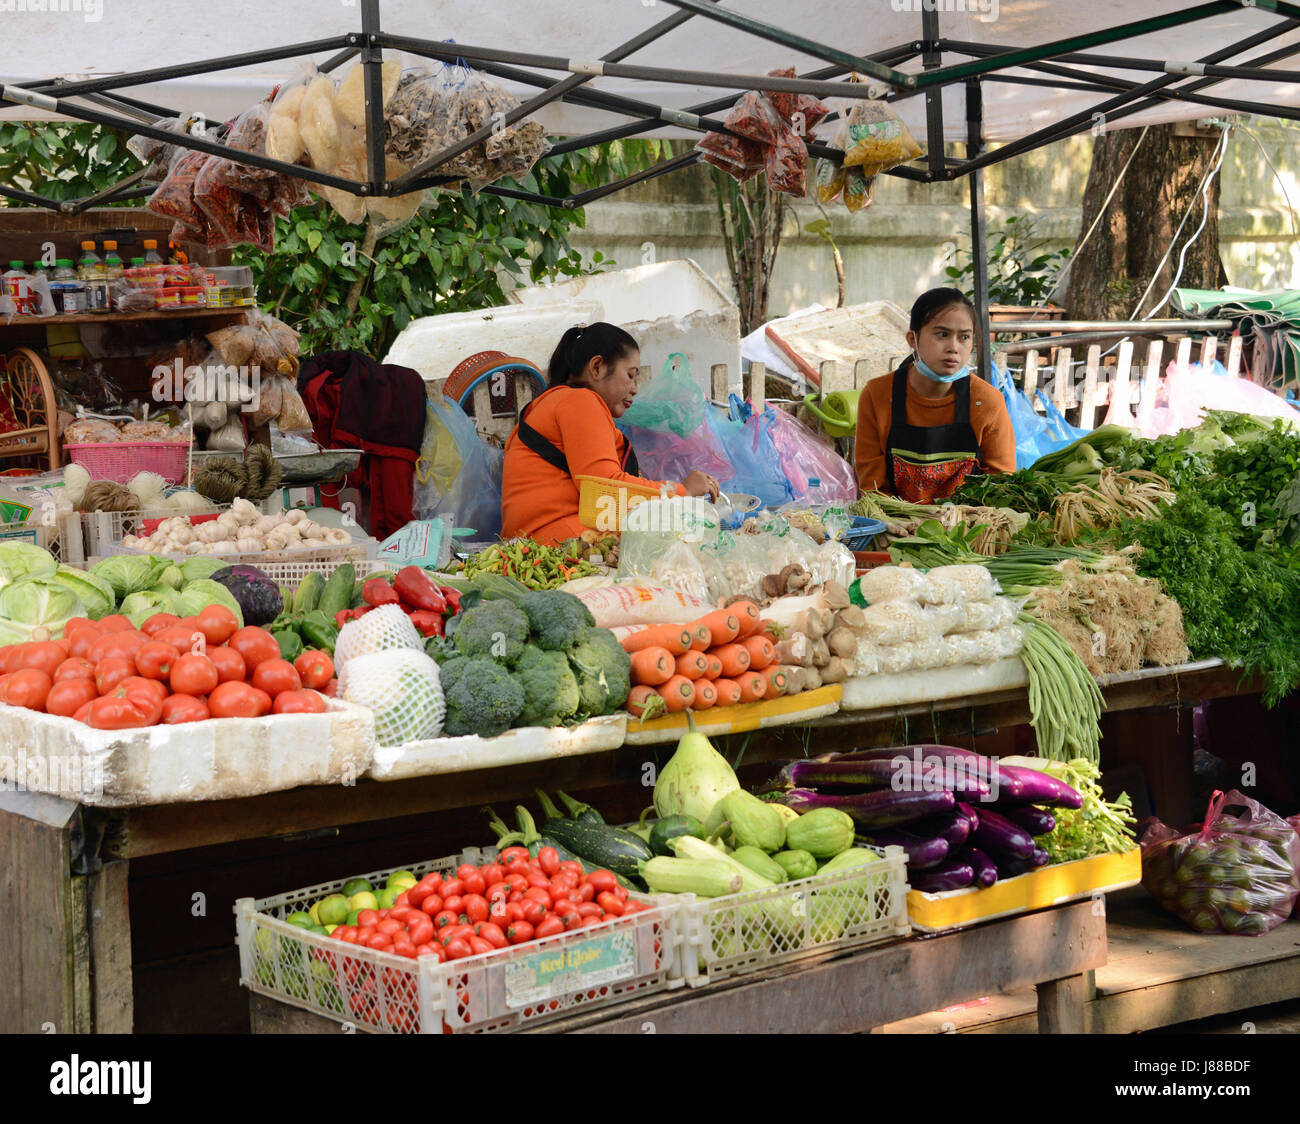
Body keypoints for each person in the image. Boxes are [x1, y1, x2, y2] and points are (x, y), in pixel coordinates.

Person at [501, 323, 720, 545]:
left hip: (541, 539)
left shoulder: (557, 402)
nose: (635, 388)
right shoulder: (580, 402)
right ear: (597, 367)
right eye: (630, 375)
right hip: (556, 541)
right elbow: (604, 489)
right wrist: (682, 491)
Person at [855, 287, 1016, 504]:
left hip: (970, 530)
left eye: (964, 337)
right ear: (913, 339)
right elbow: (873, 489)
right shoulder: (877, 395)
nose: (953, 347)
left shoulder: (987, 402)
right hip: (898, 527)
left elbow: (1000, 485)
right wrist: (904, 525)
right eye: (942, 334)